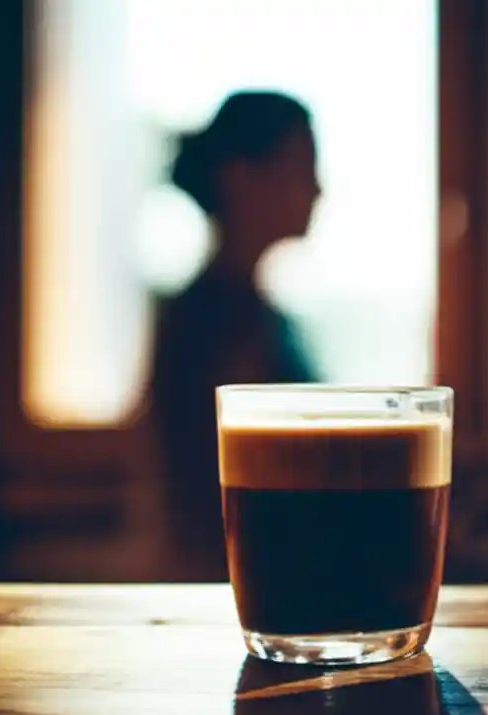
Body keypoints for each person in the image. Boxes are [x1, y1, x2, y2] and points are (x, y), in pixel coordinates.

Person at [150, 91, 321, 578]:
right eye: (302, 167)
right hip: (240, 581)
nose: (317, 189)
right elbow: (200, 497)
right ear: (241, 176)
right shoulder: (214, 322)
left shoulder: (251, 314)